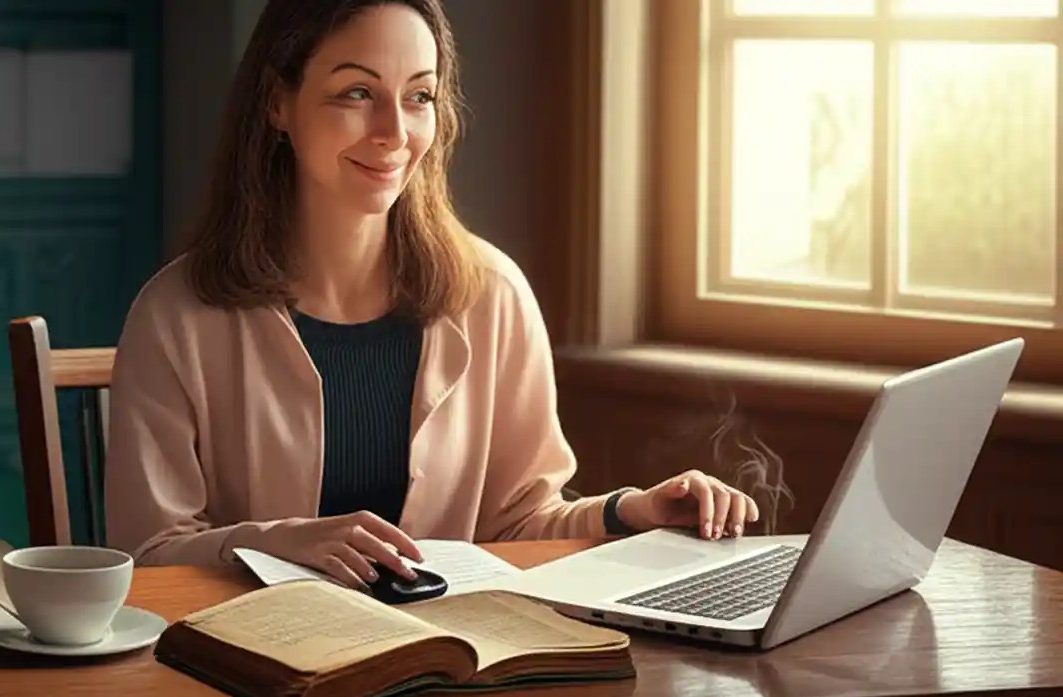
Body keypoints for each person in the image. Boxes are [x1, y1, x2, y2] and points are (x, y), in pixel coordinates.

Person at [104, 0, 759, 590]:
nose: (394, 132)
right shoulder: (176, 316)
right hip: (251, 679)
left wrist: (629, 512)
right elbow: (148, 554)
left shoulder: (492, 295)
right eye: (357, 92)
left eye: (419, 96)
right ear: (278, 103)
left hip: (449, 669)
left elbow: (520, 524)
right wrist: (275, 543)